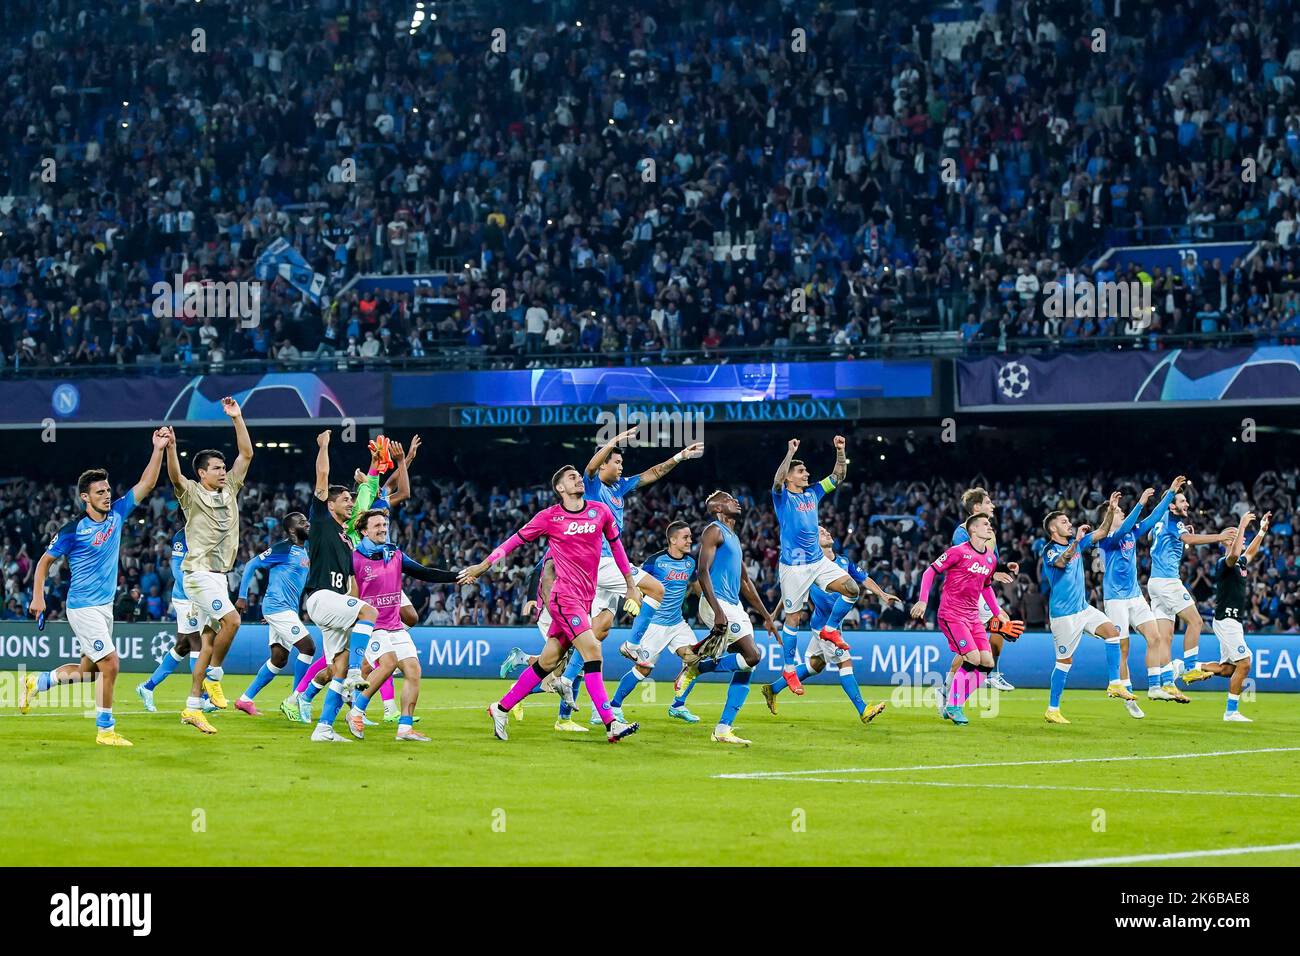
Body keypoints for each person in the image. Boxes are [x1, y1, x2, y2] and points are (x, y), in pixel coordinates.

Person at [461, 464, 641, 743]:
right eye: (572, 478)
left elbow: (617, 548)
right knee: (593, 651)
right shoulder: (549, 517)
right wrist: (484, 566)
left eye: (578, 477)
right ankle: (610, 722)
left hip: (585, 599)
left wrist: (630, 586)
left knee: (548, 661)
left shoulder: (600, 512)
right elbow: (513, 542)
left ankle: (501, 707)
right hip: (564, 598)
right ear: (560, 488)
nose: (578, 479)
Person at [21, 428, 171, 746]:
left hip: (104, 607)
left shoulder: (117, 513)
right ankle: (105, 729)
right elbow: (44, 562)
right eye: (99, 492)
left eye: (107, 490)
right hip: (82, 607)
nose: (106, 494)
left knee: (89, 671)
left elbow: (146, 484)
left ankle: (38, 681)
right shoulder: (72, 530)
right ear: (85, 497)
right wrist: (38, 596)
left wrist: (158, 449)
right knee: (111, 664)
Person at [164, 397, 254, 734]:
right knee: (232, 620)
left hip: (220, 576)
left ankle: (192, 706)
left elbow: (246, 454)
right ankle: (215, 677)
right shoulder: (190, 492)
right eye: (216, 467)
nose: (222, 471)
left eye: (222, 467)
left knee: (205, 640)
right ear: (201, 473)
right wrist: (172, 448)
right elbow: (174, 475)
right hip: (198, 574)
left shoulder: (230, 488)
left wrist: (237, 418)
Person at [762, 525, 896, 723]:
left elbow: (864, 579)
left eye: (827, 530)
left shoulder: (843, 561)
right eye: (821, 532)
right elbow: (792, 592)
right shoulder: (811, 565)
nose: (827, 532)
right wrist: (774, 613)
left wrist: (882, 594)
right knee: (845, 661)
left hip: (834, 623)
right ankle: (863, 709)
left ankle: (772, 689)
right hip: (824, 626)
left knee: (815, 665)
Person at [345, 508, 457, 740]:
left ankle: (404, 728)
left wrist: (456, 577)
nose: (383, 529)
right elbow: (350, 596)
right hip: (372, 626)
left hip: (394, 625)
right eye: (377, 526)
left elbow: (424, 573)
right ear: (364, 531)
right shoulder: (354, 558)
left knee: (414, 671)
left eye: (384, 525)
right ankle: (356, 712)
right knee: (388, 664)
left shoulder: (394, 554)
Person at [678, 490, 780, 746]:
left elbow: (745, 582)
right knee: (753, 655)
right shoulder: (714, 530)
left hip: (734, 606)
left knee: (748, 665)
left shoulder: (734, 537)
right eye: (729, 499)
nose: (736, 501)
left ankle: (723, 728)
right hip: (716, 603)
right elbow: (702, 572)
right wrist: (718, 611)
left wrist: (766, 616)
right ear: (719, 508)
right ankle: (698, 666)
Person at [298, 430, 379, 743]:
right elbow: (322, 477)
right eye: (345, 500)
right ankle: (357, 671)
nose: (350, 504)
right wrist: (323, 446)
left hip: (335, 602)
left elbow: (351, 582)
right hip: (320, 598)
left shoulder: (348, 539)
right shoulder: (320, 521)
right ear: (330, 504)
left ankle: (324, 728)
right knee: (368, 615)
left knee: (339, 666)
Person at [769, 435, 854, 695]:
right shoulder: (781, 497)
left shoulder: (813, 492)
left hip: (816, 561)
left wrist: (840, 451)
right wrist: (789, 452)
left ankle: (830, 630)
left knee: (851, 588)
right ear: (790, 477)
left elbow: (838, 476)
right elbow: (776, 480)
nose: (807, 474)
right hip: (793, 567)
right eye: (801, 471)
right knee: (793, 618)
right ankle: (788, 669)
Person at [1097, 477, 1186, 715]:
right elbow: (1124, 528)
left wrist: (1170, 493)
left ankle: (1155, 686)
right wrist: (1139, 503)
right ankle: (1128, 697)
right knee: (1123, 649)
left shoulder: (1131, 534)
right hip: (1115, 599)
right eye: (1117, 512)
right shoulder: (1106, 540)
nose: (1122, 514)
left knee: (1155, 636)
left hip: (1135, 595)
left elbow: (1154, 517)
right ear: (1108, 518)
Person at [910, 513, 1005, 726]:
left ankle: (954, 704)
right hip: (952, 614)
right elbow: (929, 572)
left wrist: (997, 612)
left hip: (972, 616)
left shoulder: (991, 558)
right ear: (972, 530)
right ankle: (953, 705)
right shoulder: (958, 552)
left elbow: (987, 587)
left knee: (987, 663)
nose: (990, 527)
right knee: (972, 658)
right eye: (985, 524)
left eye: (990, 524)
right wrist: (923, 601)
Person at [611, 521, 704, 724]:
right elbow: (637, 582)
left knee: (694, 661)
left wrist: (707, 608)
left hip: (677, 623)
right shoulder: (656, 561)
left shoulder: (690, 563)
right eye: (685, 537)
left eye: (690, 537)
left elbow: (696, 586)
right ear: (672, 539)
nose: (690, 540)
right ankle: (615, 706)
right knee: (643, 669)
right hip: (655, 624)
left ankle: (678, 706)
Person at [1041, 498, 1124, 724]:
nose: (1069, 524)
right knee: (1064, 662)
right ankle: (1052, 709)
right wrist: (1076, 542)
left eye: (1069, 521)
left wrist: (1110, 511)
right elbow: (1061, 562)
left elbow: (1103, 531)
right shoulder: (1049, 549)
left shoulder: (1078, 542)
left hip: (1083, 608)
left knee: (1112, 632)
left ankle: (1115, 683)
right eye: (1064, 522)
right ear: (1052, 528)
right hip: (1063, 616)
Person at [1146, 485, 1238, 691]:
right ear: (1170, 505)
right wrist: (1220, 537)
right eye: (1182, 501)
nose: (1187, 503)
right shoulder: (1173, 520)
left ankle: (1167, 682)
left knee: (1166, 637)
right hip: (1168, 582)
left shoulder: (1160, 521)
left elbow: (1151, 538)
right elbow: (1189, 540)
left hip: (1154, 583)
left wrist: (1180, 532)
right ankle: (1189, 668)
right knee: (1195, 621)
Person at [234, 512, 313, 717]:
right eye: (302, 522)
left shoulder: (304, 551)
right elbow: (252, 564)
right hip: (278, 607)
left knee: (279, 659)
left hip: (284, 610)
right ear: (291, 530)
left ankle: (245, 699)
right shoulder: (283, 548)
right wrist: (242, 596)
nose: (308, 524)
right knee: (308, 647)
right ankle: (295, 700)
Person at [1200, 510, 1270, 722]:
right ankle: (1231, 711)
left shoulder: (1239, 563)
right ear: (1230, 541)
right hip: (1226, 620)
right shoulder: (1225, 562)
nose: (1243, 540)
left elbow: (1249, 553)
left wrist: (1261, 532)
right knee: (1245, 663)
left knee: (1228, 669)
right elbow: (1234, 554)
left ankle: (1187, 667)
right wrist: (1241, 525)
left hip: (1234, 621)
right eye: (1238, 537)